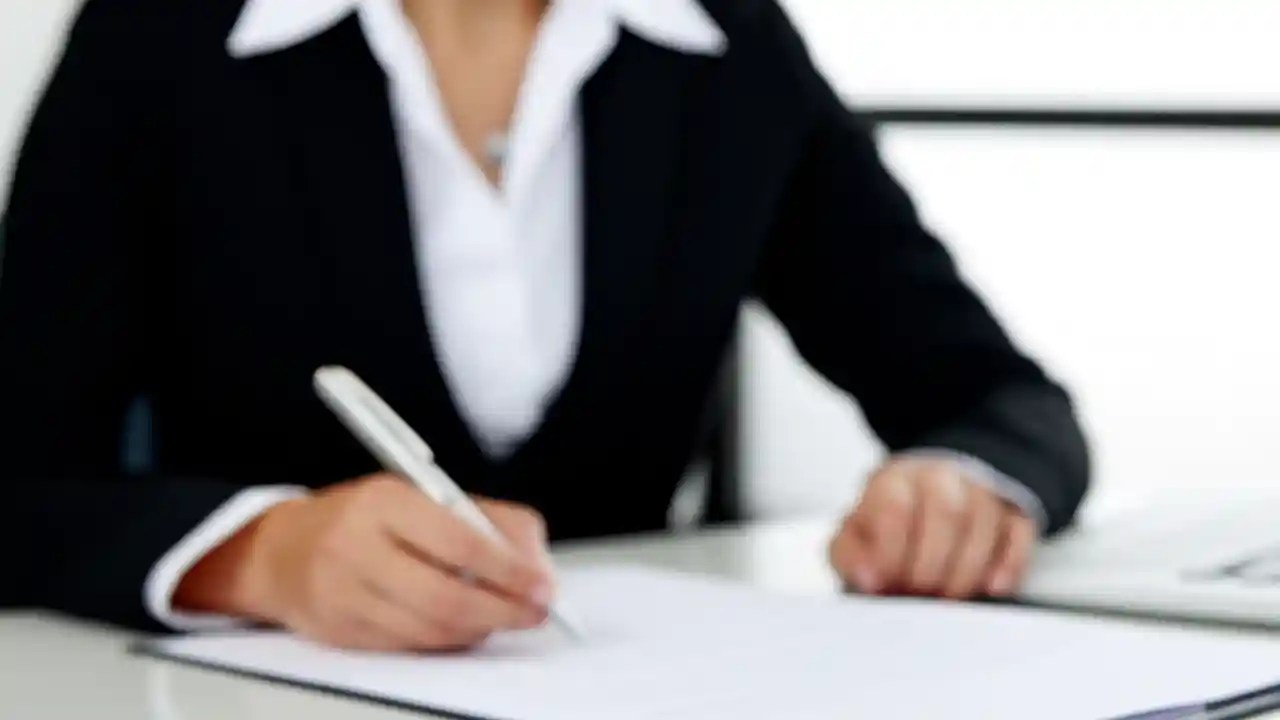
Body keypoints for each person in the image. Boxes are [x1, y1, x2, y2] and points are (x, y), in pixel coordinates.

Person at [0, 0, 1089, 651]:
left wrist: (962, 482)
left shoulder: (725, 47)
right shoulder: (159, 39)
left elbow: (996, 398)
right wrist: (257, 557)